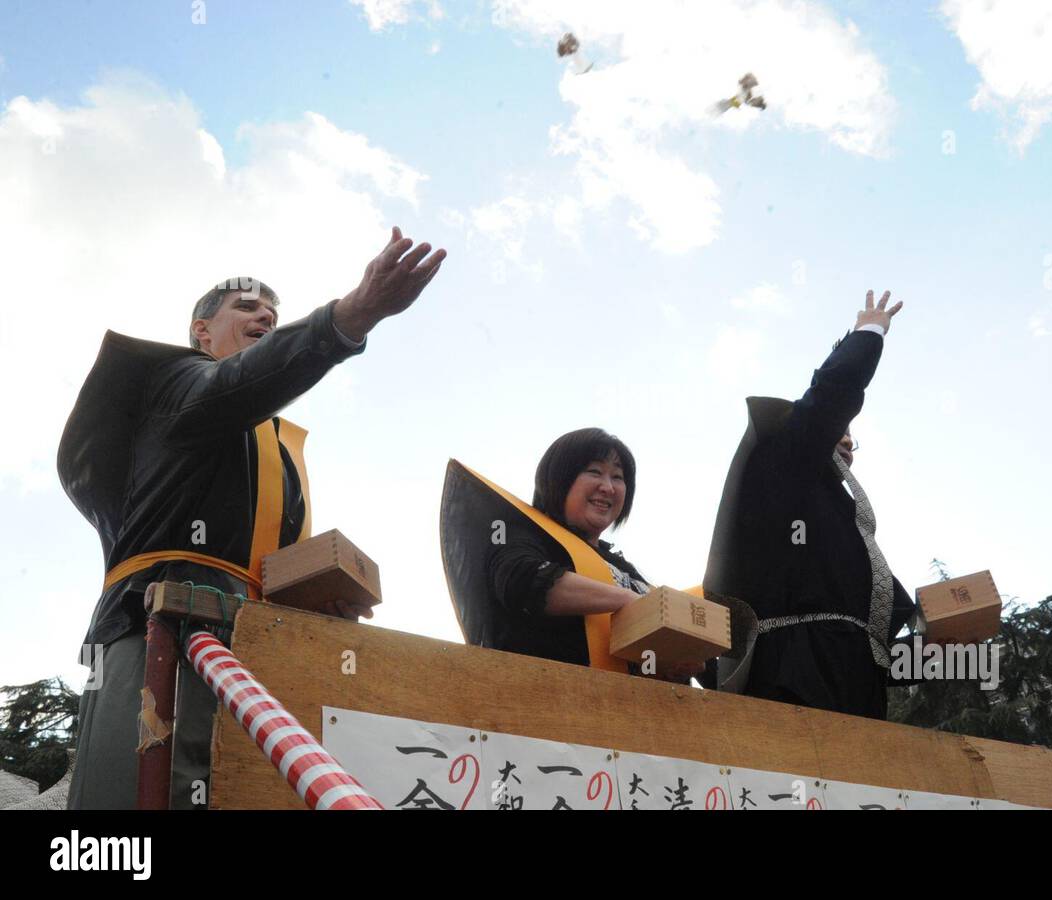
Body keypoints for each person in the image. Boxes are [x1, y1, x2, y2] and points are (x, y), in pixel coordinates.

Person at [59, 227, 446, 808]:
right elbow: (235, 385)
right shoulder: (175, 384)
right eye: (247, 307)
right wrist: (349, 318)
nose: (265, 314)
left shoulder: (278, 451)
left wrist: (317, 599)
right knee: (145, 793)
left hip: (255, 644)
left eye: (273, 309)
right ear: (201, 331)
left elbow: (270, 566)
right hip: (160, 625)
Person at [702, 290, 916, 719]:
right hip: (793, 672)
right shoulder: (781, 467)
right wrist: (867, 334)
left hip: (860, 688)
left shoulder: (849, 529)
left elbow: (892, 649)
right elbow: (826, 401)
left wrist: (969, 653)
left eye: (853, 444)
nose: (847, 446)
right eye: (838, 436)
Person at [440, 428, 698, 681]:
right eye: (594, 472)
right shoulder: (523, 534)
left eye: (618, 477)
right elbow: (520, 580)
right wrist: (628, 601)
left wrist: (671, 660)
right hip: (547, 702)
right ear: (558, 480)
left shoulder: (625, 568)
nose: (608, 487)